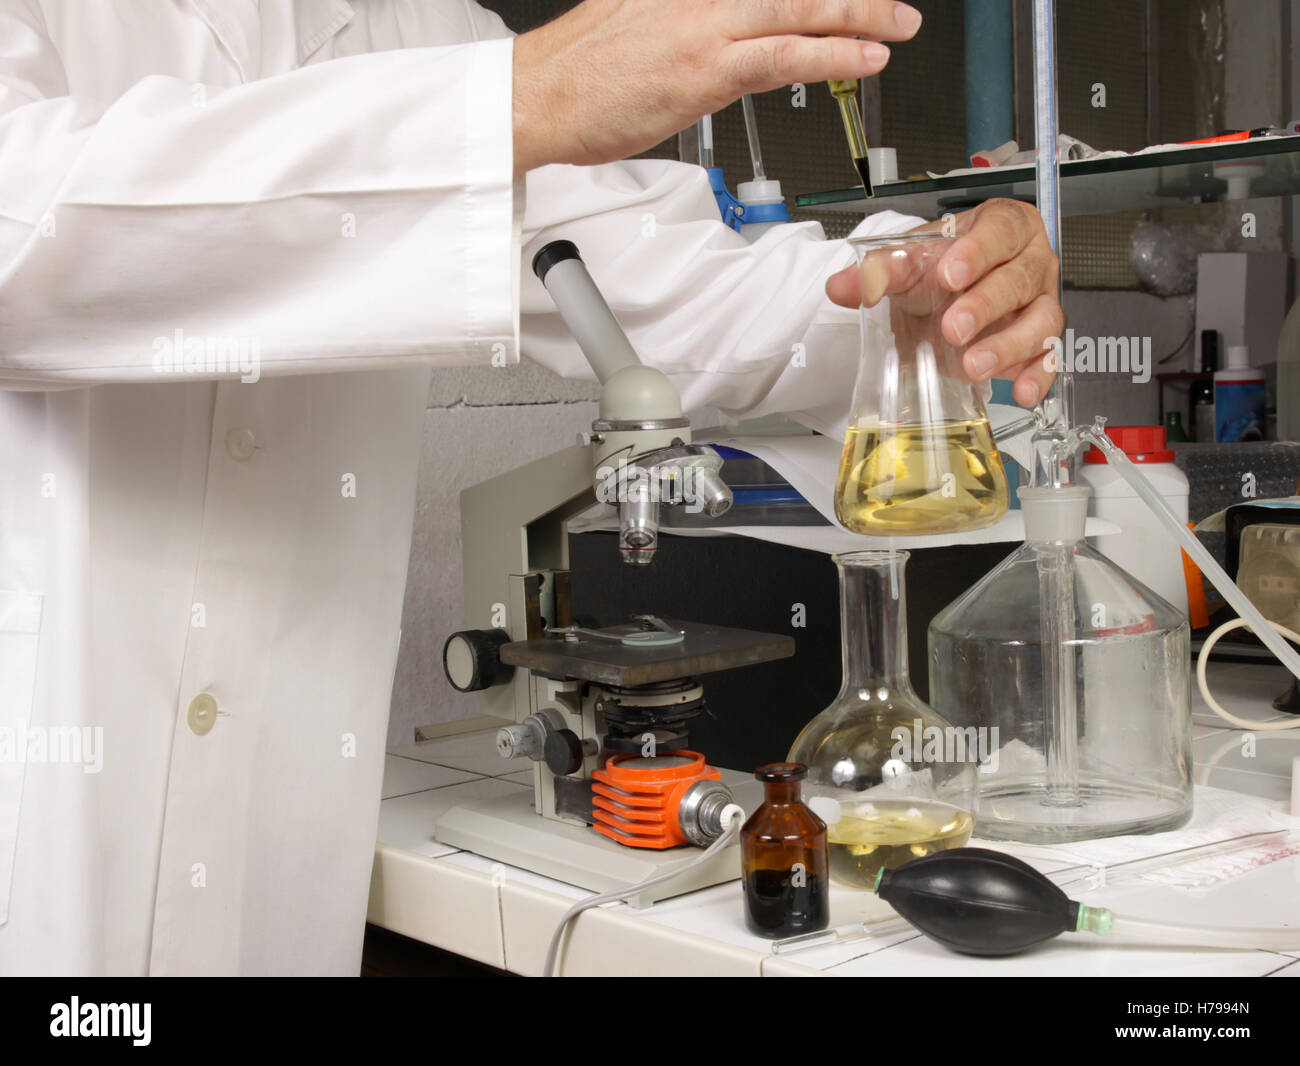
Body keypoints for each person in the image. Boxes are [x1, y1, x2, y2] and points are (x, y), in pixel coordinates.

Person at [0, 0, 1059, 975]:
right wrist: (508, 100)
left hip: (273, 857)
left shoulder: (418, 28)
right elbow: (24, 228)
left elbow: (661, 285)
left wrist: (922, 285)